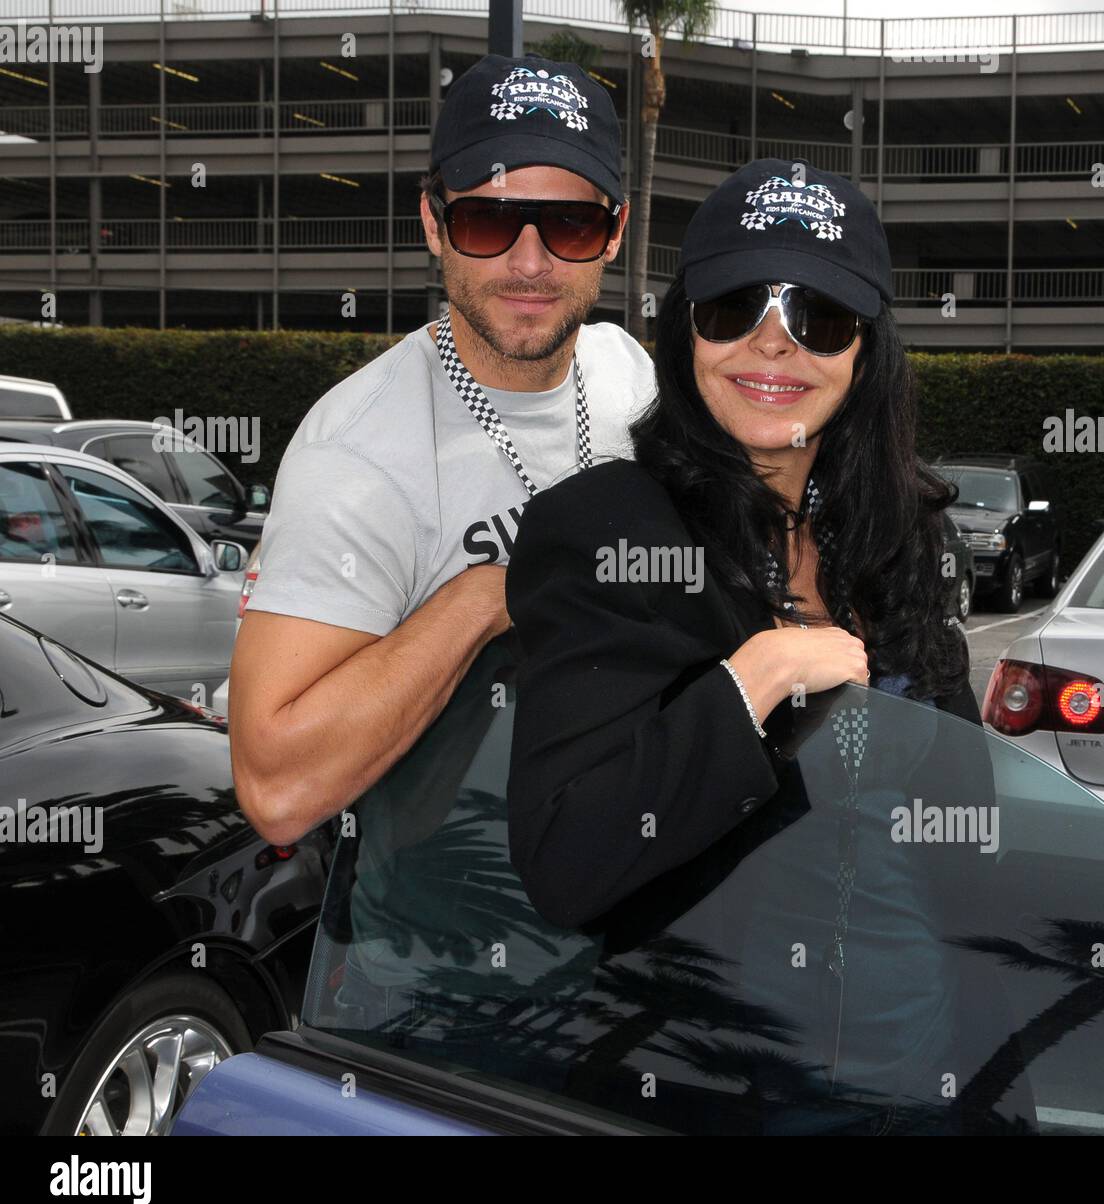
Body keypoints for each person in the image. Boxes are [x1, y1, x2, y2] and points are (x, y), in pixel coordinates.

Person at [505, 158, 978, 933]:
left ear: (865, 353)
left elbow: (965, 837)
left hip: (918, 1023)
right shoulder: (606, 533)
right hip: (711, 1035)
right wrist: (754, 678)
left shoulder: (909, 538)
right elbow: (564, 858)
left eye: (817, 315)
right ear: (687, 329)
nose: (771, 344)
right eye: (733, 306)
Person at [228, 53, 655, 845]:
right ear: (433, 223)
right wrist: (482, 596)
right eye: (489, 220)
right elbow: (275, 786)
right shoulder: (357, 455)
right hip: (439, 939)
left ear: (615, 232)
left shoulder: (633, 378)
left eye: (569, 223)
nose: (530, 263)